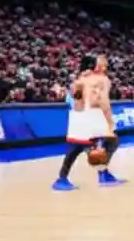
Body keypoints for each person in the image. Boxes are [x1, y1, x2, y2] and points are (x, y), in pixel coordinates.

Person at [52, 55, 125, 190]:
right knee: (110, 142)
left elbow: (76, 101)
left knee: (74, 148)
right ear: (96, 66)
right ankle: (103, 174)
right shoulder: (102, 80)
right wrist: (109, 122)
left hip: (77, 117)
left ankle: (62, 178)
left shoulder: (79, 80)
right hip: (93, 116)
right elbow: (103, 101)